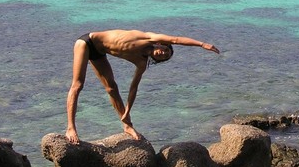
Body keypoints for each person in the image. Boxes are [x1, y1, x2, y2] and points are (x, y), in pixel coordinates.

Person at [65, 29, 220, 144]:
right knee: (77, 85)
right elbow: (175, 39)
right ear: (160, 44)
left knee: (112, 88)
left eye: (165, 56)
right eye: (165, 50)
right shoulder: (148, 37)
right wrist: (202, 44)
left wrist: (127, 111)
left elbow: (133, 88)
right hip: (87, 42)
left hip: (99, 53)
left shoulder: (141, 63)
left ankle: (127, 126)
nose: (162, 53)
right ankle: (71, 128)